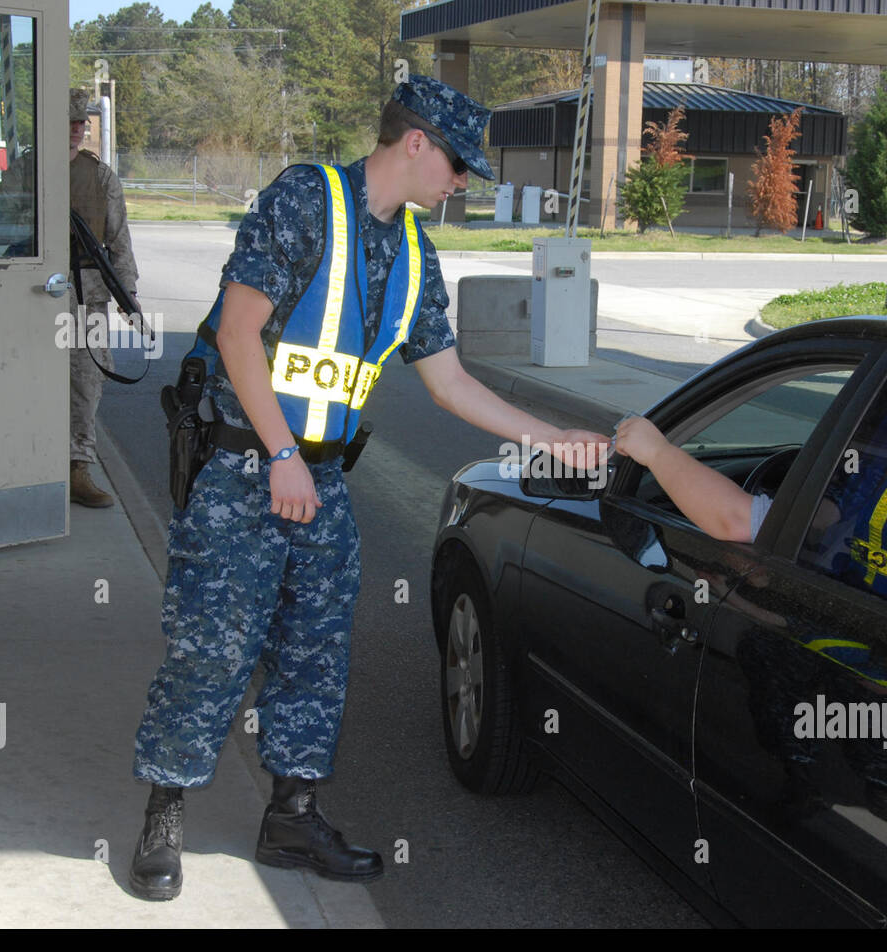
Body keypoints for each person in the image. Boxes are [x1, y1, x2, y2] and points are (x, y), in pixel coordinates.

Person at [128, 75, 608, 901]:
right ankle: (164, 812)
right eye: (459, 165)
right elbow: (240, 332)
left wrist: (548, 437)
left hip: (318, 478)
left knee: (315, 651)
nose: (464, 184)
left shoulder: (419, 255)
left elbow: (450, 383)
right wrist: (279, 455)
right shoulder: (306, 199)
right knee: (211, 650)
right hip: (247, 465)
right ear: (414, 141)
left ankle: (293, 815)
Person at [613, 389, 887, 634]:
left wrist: (656, 451)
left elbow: (738, 521)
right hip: (854, 625)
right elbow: (795, 525)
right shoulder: (882, 482)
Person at [0, 87, 139, 508]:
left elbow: (119, 242)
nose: (78, 129)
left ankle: (77, 467)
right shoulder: (25, 171)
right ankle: (23, 462)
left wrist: (129, 299)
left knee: (85, 383)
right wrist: (38, 214)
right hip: (31, 291)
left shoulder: (101, 176)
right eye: (70, 121)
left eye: (82, 122)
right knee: (23, 373)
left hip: (86, 296)